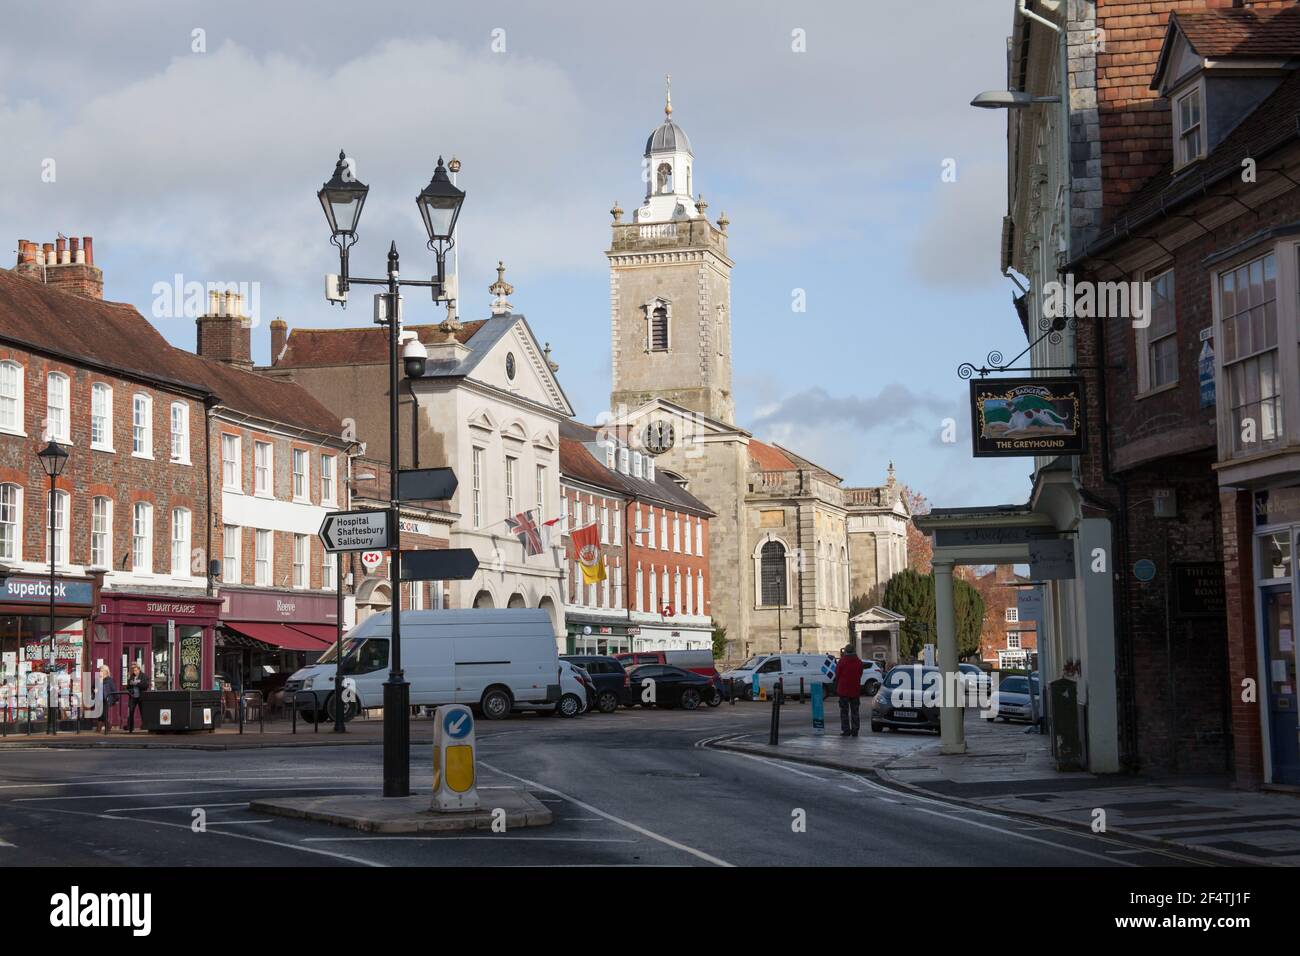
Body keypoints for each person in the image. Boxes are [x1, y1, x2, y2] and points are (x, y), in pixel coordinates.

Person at [835, 644, 865, 737]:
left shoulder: (842, 661)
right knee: (855, 711)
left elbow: (837, 674)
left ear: (846, 651)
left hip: (843, 690)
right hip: (855, 690)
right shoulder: (859, 662)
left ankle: (846, 730)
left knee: (844, 711)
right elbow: (860, 674)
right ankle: (855, 730)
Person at [125, 663, 147, 733]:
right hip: (133, 697)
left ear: (139, 670)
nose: (135, 672)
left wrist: (137, 683)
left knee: (143, 712)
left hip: (141, 697)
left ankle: (145, 726)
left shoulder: (143, 676)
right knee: (131, 712)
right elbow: (128, 686)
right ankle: (130, 728)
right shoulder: (132, 676)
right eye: (134, 671)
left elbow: (145, 686)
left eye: (136, 670)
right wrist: (130, 684)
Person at [96, 665, 118, 735]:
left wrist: (116, 698)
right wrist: (94, 690)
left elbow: (113, 689)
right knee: (99, 713)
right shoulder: (98, 679)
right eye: (100, 671)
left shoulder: (109, 680)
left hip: (106, 698)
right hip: (99, 698)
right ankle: (102, 727)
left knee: (104, 714)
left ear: (106, 671)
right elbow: (93, 686)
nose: (100, 672)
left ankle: (107, 726)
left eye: (101, 670)